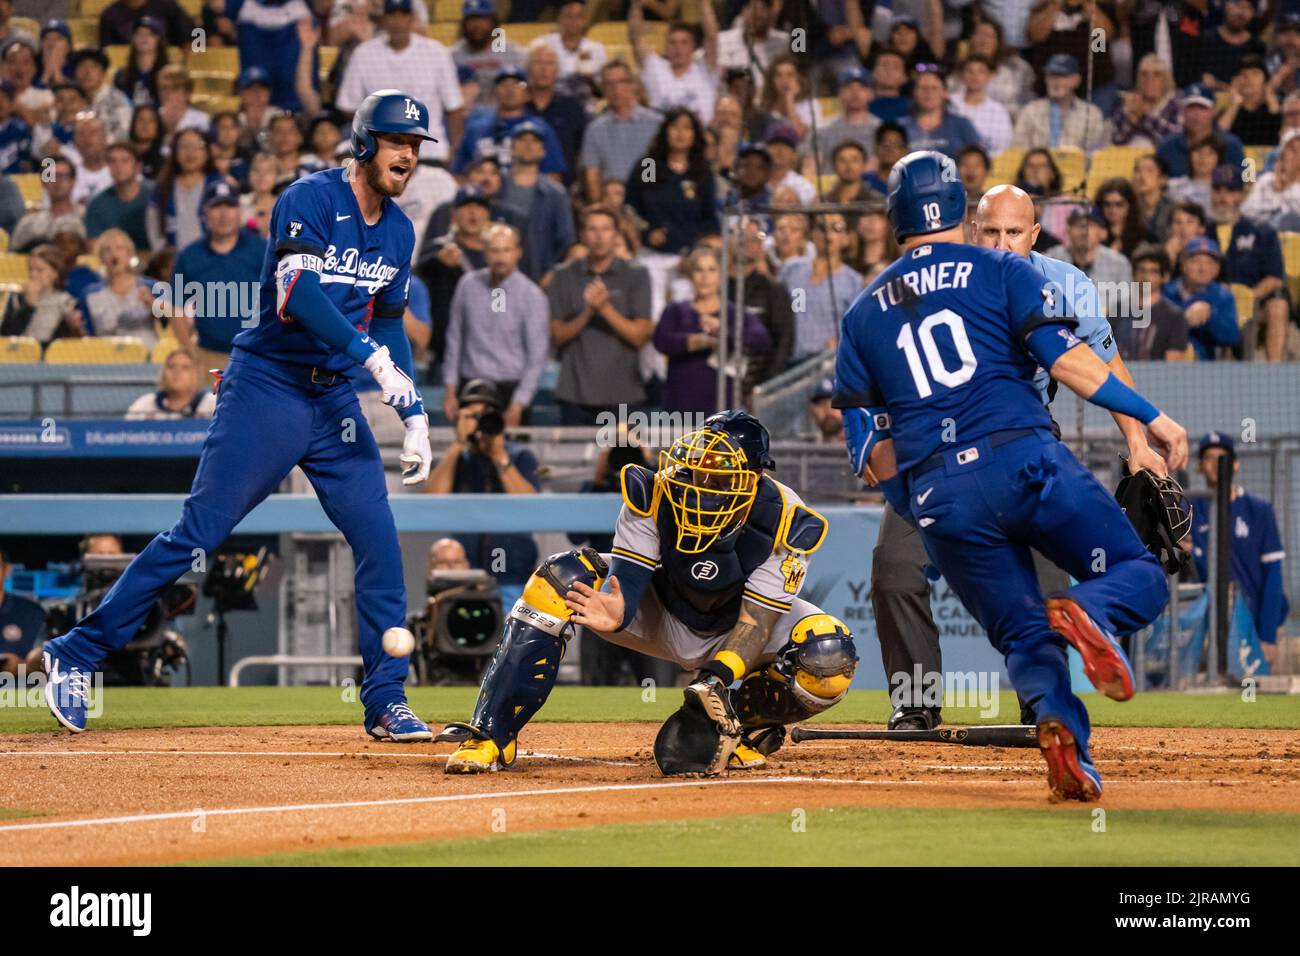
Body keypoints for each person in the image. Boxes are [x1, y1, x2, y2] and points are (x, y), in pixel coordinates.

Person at [40, 91, 437, 743]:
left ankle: (386, 699)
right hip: (269, 386)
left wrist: (414, 409)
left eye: (416, 145)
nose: (409, 155)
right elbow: (293, 295)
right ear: (365, 142)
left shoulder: (399, 229)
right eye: (397, 141)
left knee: (379, 541)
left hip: (332, 397)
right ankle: (75, 652)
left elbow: (389, 320)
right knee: (198, 533)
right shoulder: (310, 198)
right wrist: (371, 359)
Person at [835, 152, 1187, 800]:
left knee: (1025, 633)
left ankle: (1063, 739)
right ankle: (1086, 612)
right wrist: (1150, 417)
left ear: (894, 219)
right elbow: (1068, 363)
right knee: (1140, 574)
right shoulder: (1001, 271)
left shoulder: (861, 312)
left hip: (939, 492)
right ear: (964, 214)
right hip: (1025, 460)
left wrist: (920, 504)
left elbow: (864, 444)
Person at [435, 410, 859, 777]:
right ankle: (491, 733)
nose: (703, 481)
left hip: (737, 625)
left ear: (754, 477)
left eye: (720, 473)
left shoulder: (789, 520)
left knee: (829, 654)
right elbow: (630, 577)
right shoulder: (653, 491)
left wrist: (714, 683)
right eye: (700, 468)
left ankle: (742, 726)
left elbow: (756, 622)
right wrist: (616, 611)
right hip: (663, 611)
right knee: (561, 575)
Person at [425, 377, 541, 596]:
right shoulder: (456, 459)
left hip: (513, 574)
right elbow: (432, 500)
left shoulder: (520, 456)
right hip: (461, 576)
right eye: (471, 416)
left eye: (485, 416)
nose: (479, 423)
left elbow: (530, 507)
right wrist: (458, 443)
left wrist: (499, 455)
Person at [1190, 433, 1289, 668]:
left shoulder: (1258, 510)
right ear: (1199, 466)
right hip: (1211, 630)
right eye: (1208, 458)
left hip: (1258, 625)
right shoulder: (1190, 509)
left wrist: (1267, 636)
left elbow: (1273, 575)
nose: (1215, 463)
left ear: (1235, 463)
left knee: (1259, 696)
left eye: (1222, 457)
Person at [548, 206, 653, 426]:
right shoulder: (563, 275)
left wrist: (605, 309)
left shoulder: (637, 275)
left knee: (625, 460)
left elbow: (639, 337)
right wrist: (587, 312)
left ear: (616, 235)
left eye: (606, 229)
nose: (599, 236)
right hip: (574, 394)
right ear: (583, 235)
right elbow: (557, 336)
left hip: (624, 394)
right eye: (592, 229)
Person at [441, 223, 550, 428]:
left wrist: (518, 404)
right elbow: (454, 339)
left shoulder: (532, 295)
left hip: (510, 391)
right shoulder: (467, 285)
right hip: (470, 387)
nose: (500, 257)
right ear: (485, 252)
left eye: (506, 250)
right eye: (494, 250)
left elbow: (537, 357)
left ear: (518, 252)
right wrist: (449, 391)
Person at [335, 0, 463, 166]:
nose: (397, 22)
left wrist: (455, 150)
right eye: (392, 15)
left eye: (403, 15)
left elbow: (454, 107)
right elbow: (348, 106)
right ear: (384, 19)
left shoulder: (436, 53)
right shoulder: (364, 54)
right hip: (380, 154)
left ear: (412, 19)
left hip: (429, 152)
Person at [167, 180, 268, 381]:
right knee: (208, 410)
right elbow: (175, 307)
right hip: (208, 355)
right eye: (216, 207)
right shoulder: (190, 256)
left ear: (239, 211)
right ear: (205, 212)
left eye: (229, 206)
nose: (224, 215)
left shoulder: (262, 250)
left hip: (258, 354)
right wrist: (188, 350)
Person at [653, 245, 770, 416]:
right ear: (690, 276)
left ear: (721, 275)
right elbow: (661, 341)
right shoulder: (676, 310)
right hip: (680, 406)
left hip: (721, 407)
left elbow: (761, 339)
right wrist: (695, 341)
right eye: (698, 270)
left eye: (711, 270)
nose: (704, 277)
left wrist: (724, 331)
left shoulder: (734, 313)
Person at [1212, 166, 1294, 362]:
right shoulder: (1202, 230)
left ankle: (1275, 373)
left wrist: (1247, 297)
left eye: (1231, 191)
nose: (1223, 197)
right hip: (1214, 301)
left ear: (1242, 195)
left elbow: (1275, 278)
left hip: (1256, 302)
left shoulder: (1261, 231)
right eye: (1218, 190)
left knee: (1278, 306)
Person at [625, 108, 720, 258]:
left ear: (694, 135)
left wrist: (704, 242)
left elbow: (709, 216)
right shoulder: (650, 166)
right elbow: (634, 205)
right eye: (674, 126)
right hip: (653, 252)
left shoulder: (701, 171)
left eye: (687, 128)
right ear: (665, 131)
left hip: (691, 256)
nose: (680, 133)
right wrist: (647, 231)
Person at [494, 122, 575, 284]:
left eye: (534, 141)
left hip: (540, 278)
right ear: (512, 148)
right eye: (522, 140)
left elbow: (566, 241)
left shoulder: (556, 194)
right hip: (497, 274)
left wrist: (552, 274)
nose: (528, 145)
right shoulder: (496, 188)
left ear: (543, 151)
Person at [452, 66, 566, 179]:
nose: (510, 89)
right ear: (494, 92)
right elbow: (458, 174)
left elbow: (553, 174)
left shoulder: (541, 129)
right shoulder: (475, 129)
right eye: (504, 84)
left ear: (528, 94)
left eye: (518, 84)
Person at [780, 213, 863, 363]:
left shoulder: (853, 281)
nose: (828, 234)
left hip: (828, 365)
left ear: (846, 238)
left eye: (836, 228)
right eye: (822, 227)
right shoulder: (791, 270)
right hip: (790, 363)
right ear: (812, 234)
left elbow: (858, 329)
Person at [578, 59, 662, 204]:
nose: (616, 89)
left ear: (632, 85)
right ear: (603, 90)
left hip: (649, 201)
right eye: (609, 84)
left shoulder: (654, 123)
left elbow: (653, 166)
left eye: (621, 82)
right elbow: (592, 175)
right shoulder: (594, 130)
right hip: (610, 204)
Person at [629, 0, 718, 122]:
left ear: (693, 47)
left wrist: (703, 3)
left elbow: (712, 36)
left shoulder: (705, 69)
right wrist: (636, 6)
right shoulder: (655, 68)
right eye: (672, 43)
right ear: (665, 47)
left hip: (700, 136)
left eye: (684, 42)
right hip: (660, 136)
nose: (678, 48)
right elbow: (635, 37)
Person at [1010, 53, 1108, 153]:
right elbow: (1018, 150)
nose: (1056, 82)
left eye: (1062, 76)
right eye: (1052, 76)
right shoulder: (1030, 111)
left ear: (1076, 80)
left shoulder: (1091, 114)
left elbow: (1095, 153)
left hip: (1076, 166)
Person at [1162, 236, 1240, 360]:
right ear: (1183, 264)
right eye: (1196, 261)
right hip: (1160, 362)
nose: (1203, 268)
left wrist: (1210, 315)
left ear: (1217, 269)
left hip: (1202, 368)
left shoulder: (1223, 296)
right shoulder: (1165, 292)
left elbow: (1232, 337)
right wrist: (1182, 320)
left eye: (1209, 263)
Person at [146, 127, 223, 252]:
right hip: (176, 262)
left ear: (207, 152)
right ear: (175, 152)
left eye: (197, 146)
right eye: (184, 146)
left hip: (212, 259)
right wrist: (164, 254)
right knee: (178, 273)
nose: (190, 153)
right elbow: (153, 223)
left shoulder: (219, 185)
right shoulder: (163, 187)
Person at [79, 228, 157, 344]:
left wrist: (154, 305)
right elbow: (88, 336)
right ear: (101, 258)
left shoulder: (151, 287)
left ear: (130, 254)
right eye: (107, 250)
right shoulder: (90, 295)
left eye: (119, 248)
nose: (114, 254)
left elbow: (173, 322)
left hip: (146, 354)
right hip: (105, 356)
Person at [1156, 84, 1245, 179]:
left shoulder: (1232, 145)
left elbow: (1247, 181)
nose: (1196, 114)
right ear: (1182, 111)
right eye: (1191, 108)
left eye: (1202, 108)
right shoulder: (1167, 147)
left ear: (1213, 111)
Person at [1118, 246, 1190, 362]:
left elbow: (1173, 367)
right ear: (1133, 274)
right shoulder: (1117, 310)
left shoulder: (1174, 317)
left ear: (1165, 277)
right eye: (1142, 271)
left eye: (1153, 272)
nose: (1146, 277)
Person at [0, 243, 82, 344]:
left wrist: (75, 328)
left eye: (39, 270)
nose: (33, 274)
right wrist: (28, 306)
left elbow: (68, 344)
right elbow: (7, 336)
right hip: (17, 355)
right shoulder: (16, 298)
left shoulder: (67, 302)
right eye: (30, 269)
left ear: (55, 273)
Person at [451, 0, 525, 104]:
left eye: (482, 19)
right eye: (471, 20)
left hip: (502, 114)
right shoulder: (453, 56)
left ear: (493, 22)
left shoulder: (513, 52)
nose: (477, 25)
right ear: (464, 24)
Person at [85, 142, 152, 253]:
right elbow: (94, 248)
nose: (118, 166)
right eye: (112, 161)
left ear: (138, 167)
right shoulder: (97, 204)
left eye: (125, 160)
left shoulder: (155, 196)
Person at [1046, 206, 1133, 288]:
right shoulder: (1049, 259)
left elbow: (1126, 302)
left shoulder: (1119, 264)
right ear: (1068, 230)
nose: (1084, 232)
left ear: (1103, 233)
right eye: (1079, 225)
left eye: (1091, 225)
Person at [10, 156, 82, 252]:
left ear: (73, 182)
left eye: (63, 176)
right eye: (51, 176)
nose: (56, 181)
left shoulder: (86, 217)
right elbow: (14, 257)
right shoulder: (28, 223)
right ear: (43, 182)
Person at [1111, 54, 1181, 149]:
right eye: (1144, 74)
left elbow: (1174, 141)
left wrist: (1144, 117)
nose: (1149, 79)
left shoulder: (1176, 103)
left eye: (1156, 74)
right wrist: (1130, 118)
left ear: (1166, 79)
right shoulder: (1130, 102)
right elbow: (1117, 141)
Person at [125, 348, 217, 420]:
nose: (177, 372)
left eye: (185, 368)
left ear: (197, 374)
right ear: (163, 374)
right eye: (171, 366)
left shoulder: (213, 404)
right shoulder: (144, 405)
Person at [816, 66, 880, 169]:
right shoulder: (823, 129)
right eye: (849, 87)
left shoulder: (880, 129)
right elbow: (811, 166)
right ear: (839, 93)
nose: (855, 93)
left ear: (871, 94)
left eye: (861, 88)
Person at [949, 54, 1013, 155]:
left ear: (990, 76)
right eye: (969, 71)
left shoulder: (998, 111)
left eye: (981, 71)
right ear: (961, 75)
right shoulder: (949, 103)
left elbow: (1003, 148)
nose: (975, 76)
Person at [1239, 128, 1300, 230]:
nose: (1297, 155)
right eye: (1292, 150)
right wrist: (1277, 191)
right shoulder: (1266, 181)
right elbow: (1246, 212)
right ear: (1282, 154)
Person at [536, 1, 607, 86]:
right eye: (568, 16)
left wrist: (589, 75)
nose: (573, 21)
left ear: (585, 20)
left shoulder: (597, 49)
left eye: (578, 16)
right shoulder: (544, 45)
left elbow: (603, 87)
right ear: (559, 19)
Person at [0, 546, 46, 677]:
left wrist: (19, 665)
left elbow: (44, 657)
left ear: (7, 570)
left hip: (21, 692)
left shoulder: (32, 613)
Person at [1217, 54, 1281, 147]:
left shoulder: (1273, 109)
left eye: (1255, 74)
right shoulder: (1231, 111)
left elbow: (1279, 134)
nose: (1249, 79)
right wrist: (1236, 102)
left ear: (1265, 80)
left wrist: (1270, 96)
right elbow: (1219, 136)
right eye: (1243, 74)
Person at [1198, 0, 1265, 88]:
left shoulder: (1258, 46)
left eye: (1248, 8)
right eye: (1237, 5)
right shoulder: (1204, 39)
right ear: (1225, 5)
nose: (1241, 13)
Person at [1095, 178, 1154, 260]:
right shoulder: (1094, 236)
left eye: (1119, 204)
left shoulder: (1144, 237)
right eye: (1107, 204)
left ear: (1130, 206)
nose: (1113, 210)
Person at [808, 376, 842, 442]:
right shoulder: (803, 449)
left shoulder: (864, 447)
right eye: (822, 403)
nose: (828, 409)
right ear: (813, 411)